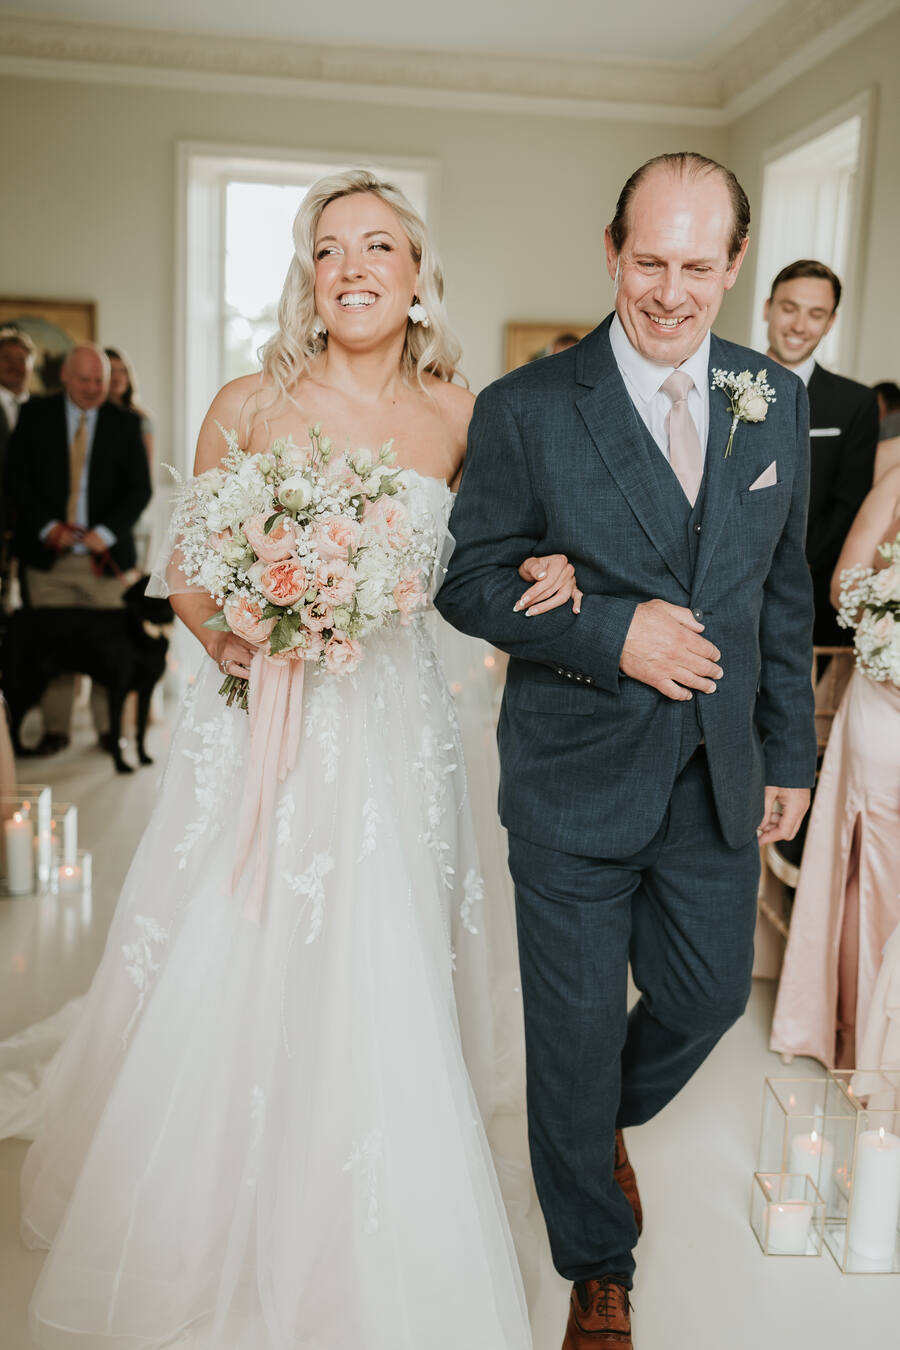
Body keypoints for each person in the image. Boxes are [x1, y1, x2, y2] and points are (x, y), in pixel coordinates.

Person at [13, 170, 579, 1350]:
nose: (356, 266)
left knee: (383, 957)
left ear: (420, 277)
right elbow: (186, 572)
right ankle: (213, 1207)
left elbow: (506, 554)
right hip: (258, 723)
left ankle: (366, 1214)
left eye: (381, 245)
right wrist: (253, 635)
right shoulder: (246, 405)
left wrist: (554, 574)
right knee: (240, 943)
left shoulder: (467, 417)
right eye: (331, 249)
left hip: (397, 733)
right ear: (308, 279)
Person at [436, 151, 817, 1349]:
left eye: (698, 266)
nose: (669, 290)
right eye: (647, 260)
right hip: (572, 781)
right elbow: (468, 582)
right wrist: (611, 631)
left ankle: (587, 1122)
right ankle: (599, 1267)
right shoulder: (526, 409)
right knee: (576, 1027)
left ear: (735, 266)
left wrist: (788, 754)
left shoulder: (774, 395)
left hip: (717, 776)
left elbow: (783, 591)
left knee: (707, 1002)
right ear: (611, 251)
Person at [771, 463, 900, 1069]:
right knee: (873, 863)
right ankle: (859, 1039)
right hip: (887, 698)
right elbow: (845, 583)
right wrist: (888, 636)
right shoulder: (898, 479)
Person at [4, 345, 152, 752]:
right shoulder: (36, 415)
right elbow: (16, 478)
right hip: (47, 559)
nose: (91, 388)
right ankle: (57, 730)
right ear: (65, 378)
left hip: (104, 561)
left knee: (110, 648)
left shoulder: (125, 424)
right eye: (84, 380)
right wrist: (46, 527)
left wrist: (105, 532)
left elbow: (140, 489)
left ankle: (108, 731)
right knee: (53, 647)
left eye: (99, 381)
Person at [764, 259, 879, 644]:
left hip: (804, 593)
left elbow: (849, 502)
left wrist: (787, 568)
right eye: (789, 308)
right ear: (768, 307)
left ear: (830, 322)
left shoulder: (855, 403)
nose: (799, 326)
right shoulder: (720, 383)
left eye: (816, 314)